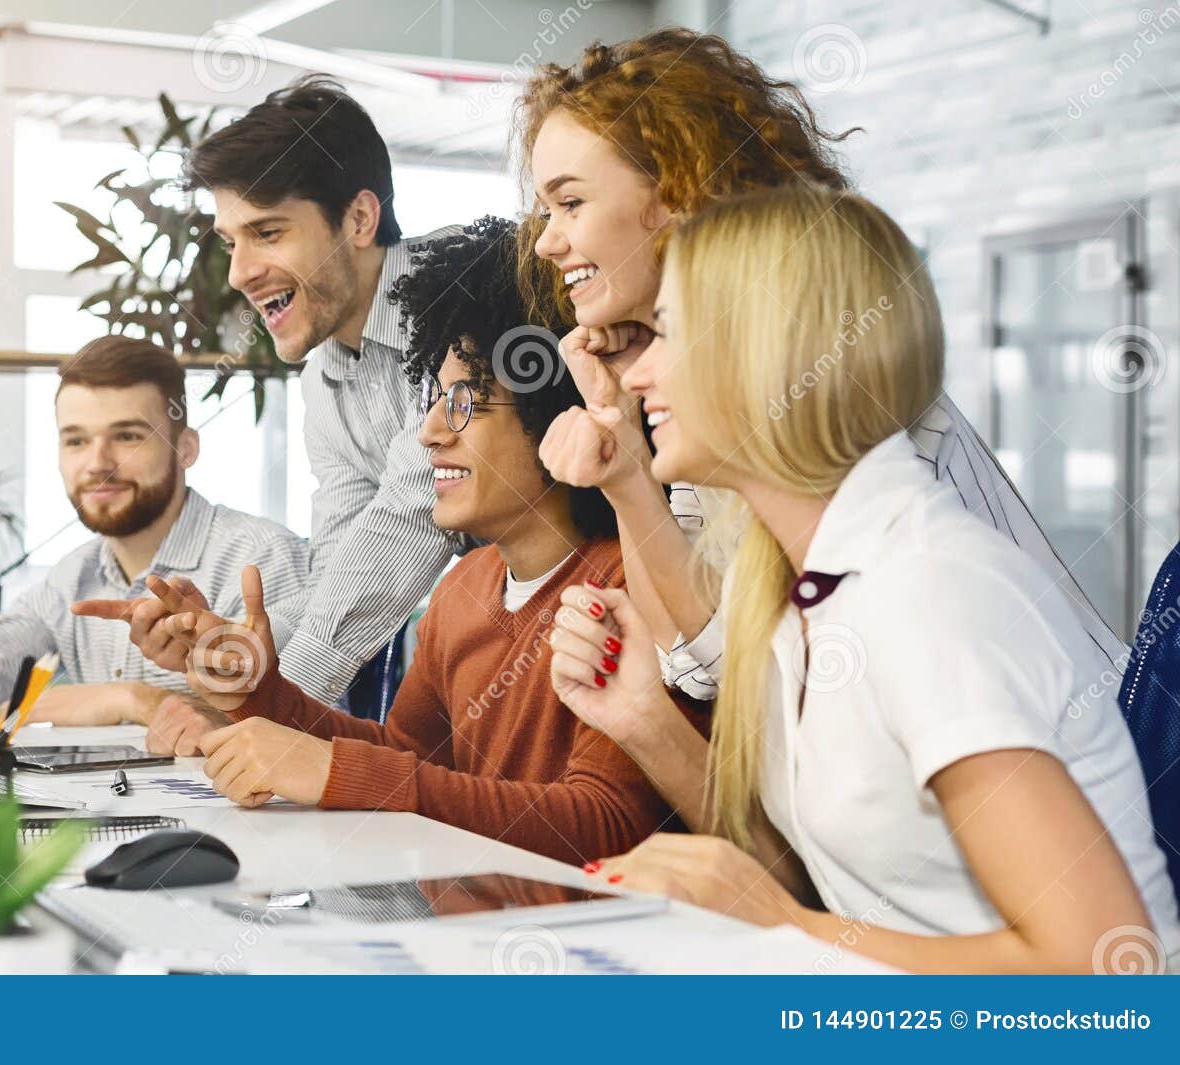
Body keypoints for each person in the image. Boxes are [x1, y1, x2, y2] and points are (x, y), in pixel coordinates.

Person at [551, 186, 1180, 972]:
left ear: (765, 351)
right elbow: (821, 881)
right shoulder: (798, 588)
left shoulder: (928, 591)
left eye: (669, 333)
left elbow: (1107, 967)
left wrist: (781, 925)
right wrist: (644, 714)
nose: (640, 371)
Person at [521, 30, 1126, 703]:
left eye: (570, 202)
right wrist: (625, 456)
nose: (546, 240)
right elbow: (700, 665)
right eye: (545, 210)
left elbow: (742, 666)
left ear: (676, 190)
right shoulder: (705, 381)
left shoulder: (814, 365)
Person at [101, 219, 681, 864]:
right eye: (433, 398)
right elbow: (406, 759)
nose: (430, 432)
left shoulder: (636, 584)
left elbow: (605, 823)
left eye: (463, 402)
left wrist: (338, 773)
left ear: (552, 408)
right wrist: (256, 693)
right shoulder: (465, 588)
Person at [121, 75, 462, 711]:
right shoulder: (327, 372)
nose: (240, 273)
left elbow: (411, 524)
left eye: (268, 233)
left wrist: (269, 707)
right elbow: (342, 568)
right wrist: (234, 651)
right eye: (231, 241)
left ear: (359, 218)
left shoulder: (455, 298)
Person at [0, 336, 308, 725]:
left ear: (185, 449)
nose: (98, 463)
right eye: (76, 441)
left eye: (127, 436)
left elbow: (301, 720)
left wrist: (131, 700)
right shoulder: (73, 577)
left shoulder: (263, 560)